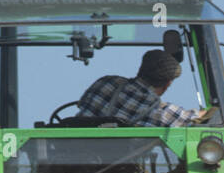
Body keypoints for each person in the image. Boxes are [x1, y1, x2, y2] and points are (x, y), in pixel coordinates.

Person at [76, 50, 215, 127]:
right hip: (114, 170)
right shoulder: (160, 112)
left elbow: (81, 104)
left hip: (68, 158)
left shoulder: (105, 82)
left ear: (141, 69)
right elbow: (199, 118)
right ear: (167, 84)